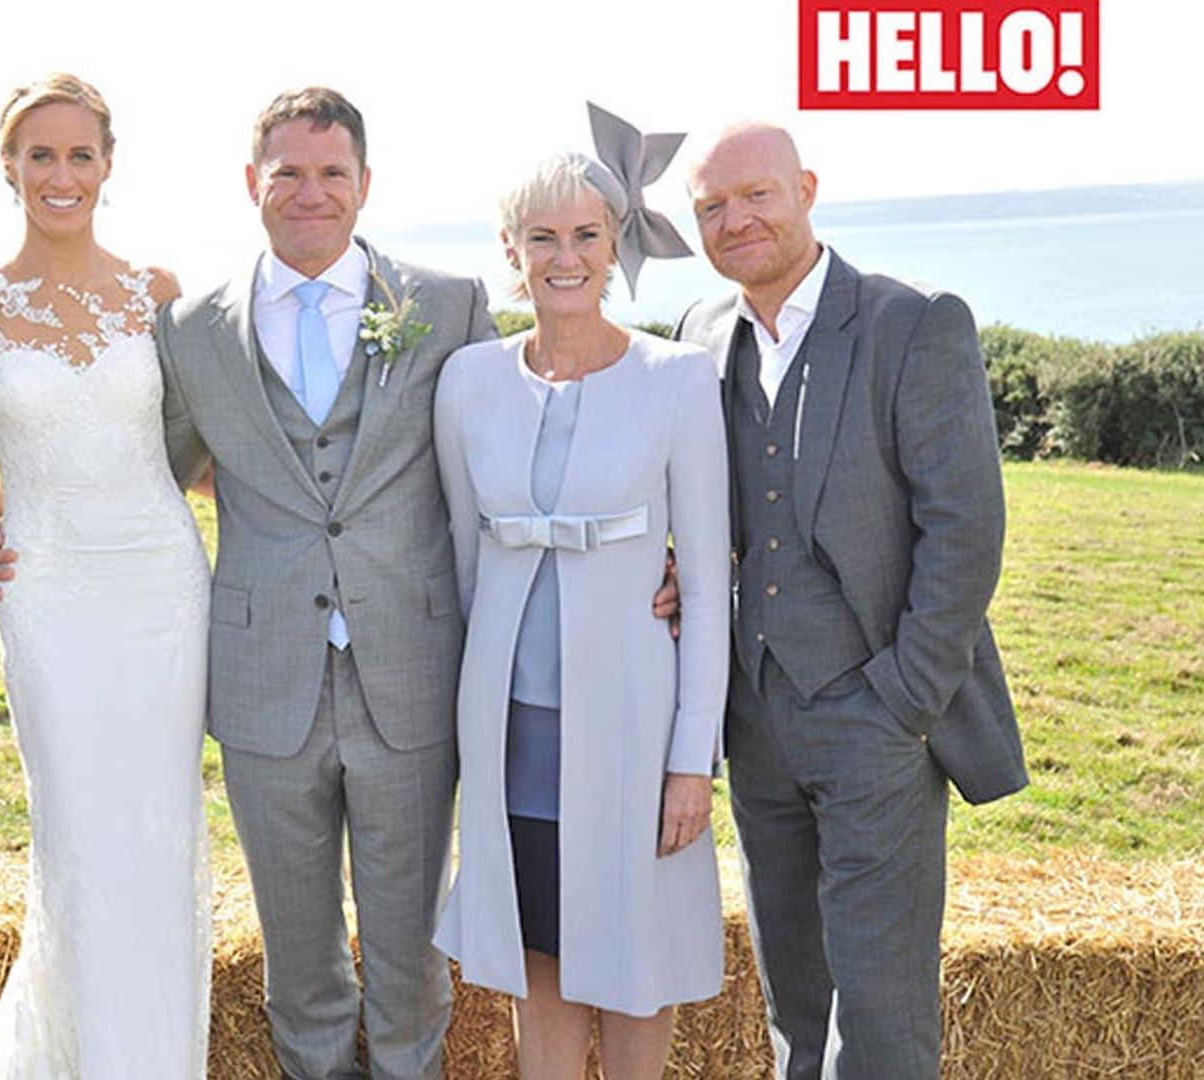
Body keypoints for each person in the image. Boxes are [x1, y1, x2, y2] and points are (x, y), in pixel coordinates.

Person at [152, 87, 496, 1080]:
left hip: (410, 666)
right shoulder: (190, 331)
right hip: (265, 677)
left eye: (331, 172)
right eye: (288, 172)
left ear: (365, 184)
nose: (311, 192)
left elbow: (504, 462)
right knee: (297, 958)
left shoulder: (445, 305)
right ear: (251, 183)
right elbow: (153, 473)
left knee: (409, 953)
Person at [674, 122, 1028, 1079]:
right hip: (753, 717)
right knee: (794, 995)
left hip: (876, 711)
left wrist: (902, 698)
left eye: (756, 194)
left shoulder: (911, 322)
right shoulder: (699, 335)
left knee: (878, 1009)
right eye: (712, 206)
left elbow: (965, 529)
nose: (736, 219)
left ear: (807, 189)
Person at [431, 138, 730, 1080]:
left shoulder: (677, 378)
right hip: (514, 730)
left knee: (637, 957)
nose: (567, 257)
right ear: (510, 250)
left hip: (637, 724)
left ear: (618, 245)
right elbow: (466, 560)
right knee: (541, 956)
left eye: (588, 235)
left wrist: (692, 762)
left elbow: (709, 588)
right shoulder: (468, 381)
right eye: (543, 236)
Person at [0, 75, 214, 1077]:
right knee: (82, 840)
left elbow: (202, 446)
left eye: (80, 155)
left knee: (161, 833)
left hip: (162, 589)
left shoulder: (159, 294)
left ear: (109, 164)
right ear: (7, 166)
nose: (62, 175)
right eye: (40, 155)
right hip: (49, 596)